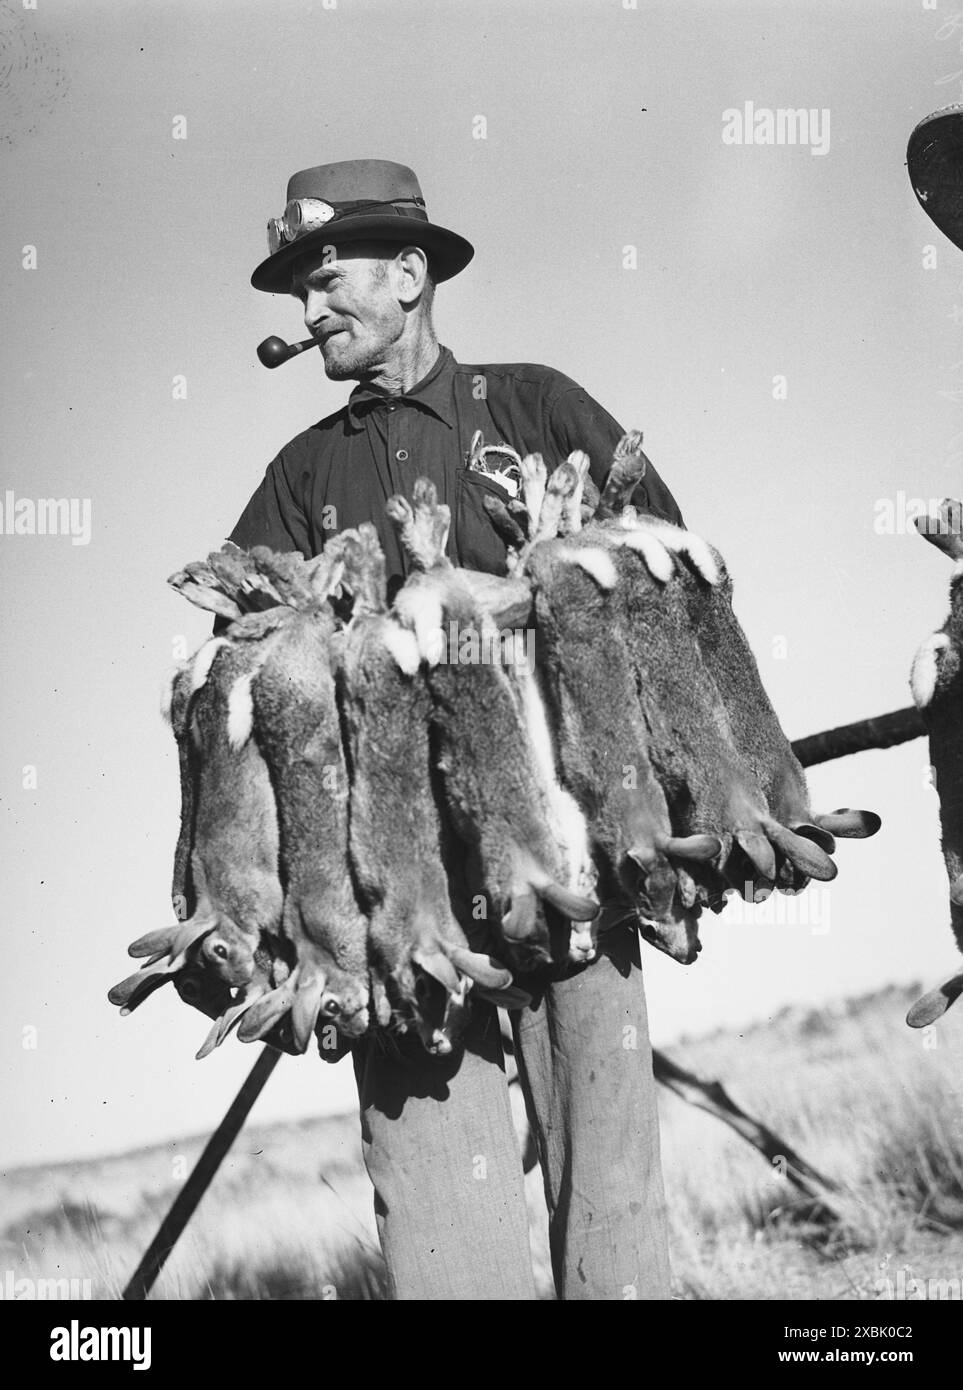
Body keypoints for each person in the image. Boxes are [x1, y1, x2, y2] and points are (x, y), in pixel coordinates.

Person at [227, 159, 684, 1300]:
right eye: (299, 293)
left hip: (570, 857)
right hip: (396, 902)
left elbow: (666, 570)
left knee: (608, 1176)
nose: (311, 309)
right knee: (434, 1211)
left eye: (327, 281)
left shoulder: (532, 408)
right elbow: (249, 679)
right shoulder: (298, 478)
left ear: (411, 275)